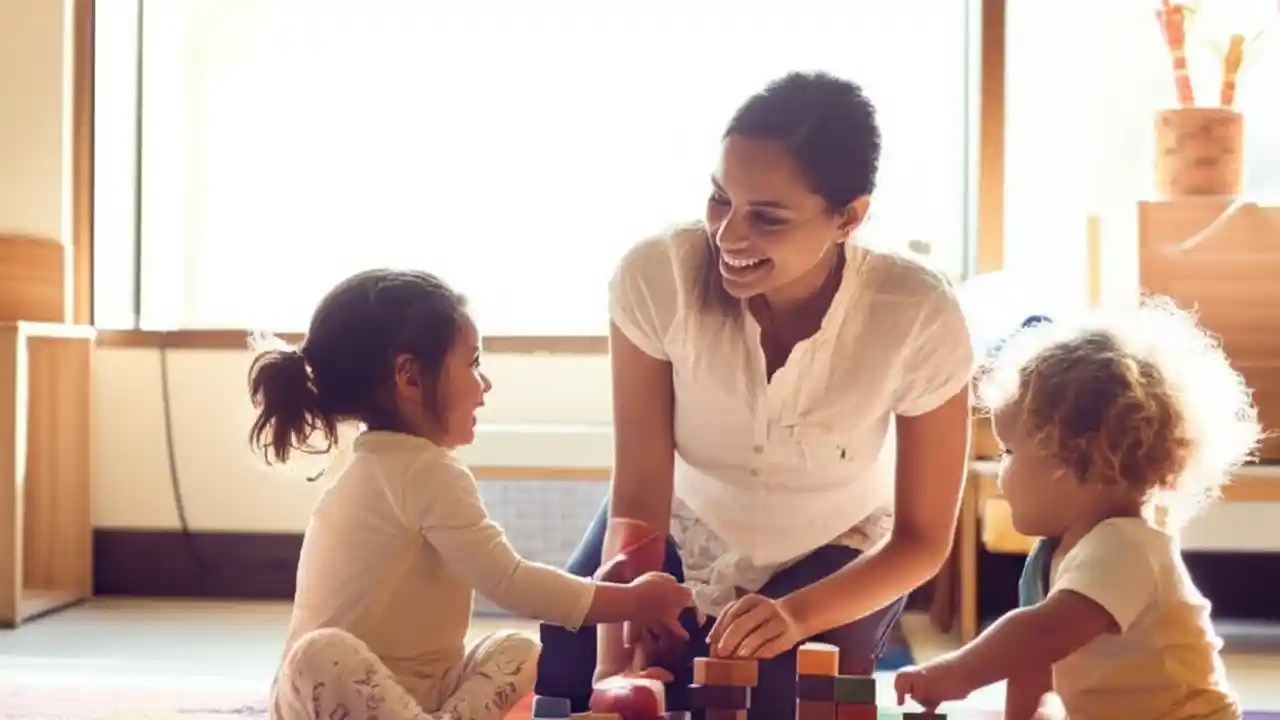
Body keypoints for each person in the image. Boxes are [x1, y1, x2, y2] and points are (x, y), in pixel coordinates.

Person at [535, 71, 976, 716]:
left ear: (848, 217)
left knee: (770, 689)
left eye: (767, 217)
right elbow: (638, 489)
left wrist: (794, 616)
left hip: (836, 545)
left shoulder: (916, 313)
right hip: (685, 516)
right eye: (720, 200)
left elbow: (921, 540)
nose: (728, 235)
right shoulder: (657, 276)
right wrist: (615, 654)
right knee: (568, 653)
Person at [248, 269, 693, 720]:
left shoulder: (397, 465)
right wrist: (633, 601)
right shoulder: (420, 471)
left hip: (420, 697)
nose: (485, 385)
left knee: (518, 651)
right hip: (332, 701)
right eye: (473, 363)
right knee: (320, 653)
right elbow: (510, 581)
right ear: (410, 377)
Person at [894, 298, 1260, 720]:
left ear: (1069, 458)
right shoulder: (1059, 556)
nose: (1001, 471)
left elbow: (1039, 635)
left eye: (1009, 451)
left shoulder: (1124, 547)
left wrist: (955, 673)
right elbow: (1033, 663)